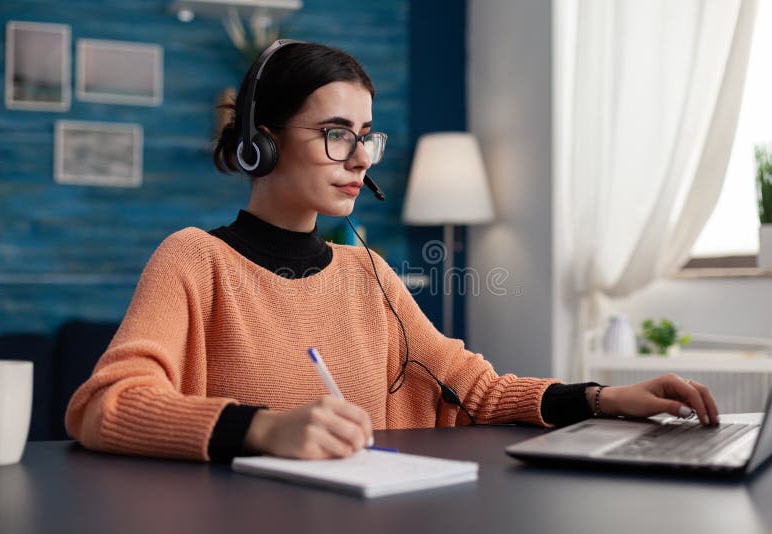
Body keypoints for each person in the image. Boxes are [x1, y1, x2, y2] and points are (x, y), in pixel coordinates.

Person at [65, 40, 720, 463]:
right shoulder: (194, 260)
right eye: (334, 134)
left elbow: (482, 394)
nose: (358, 159)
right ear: (260, 143)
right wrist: (263, 429)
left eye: (367, 137)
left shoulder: (367, 273)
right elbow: (104, 406)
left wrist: (608, 399)